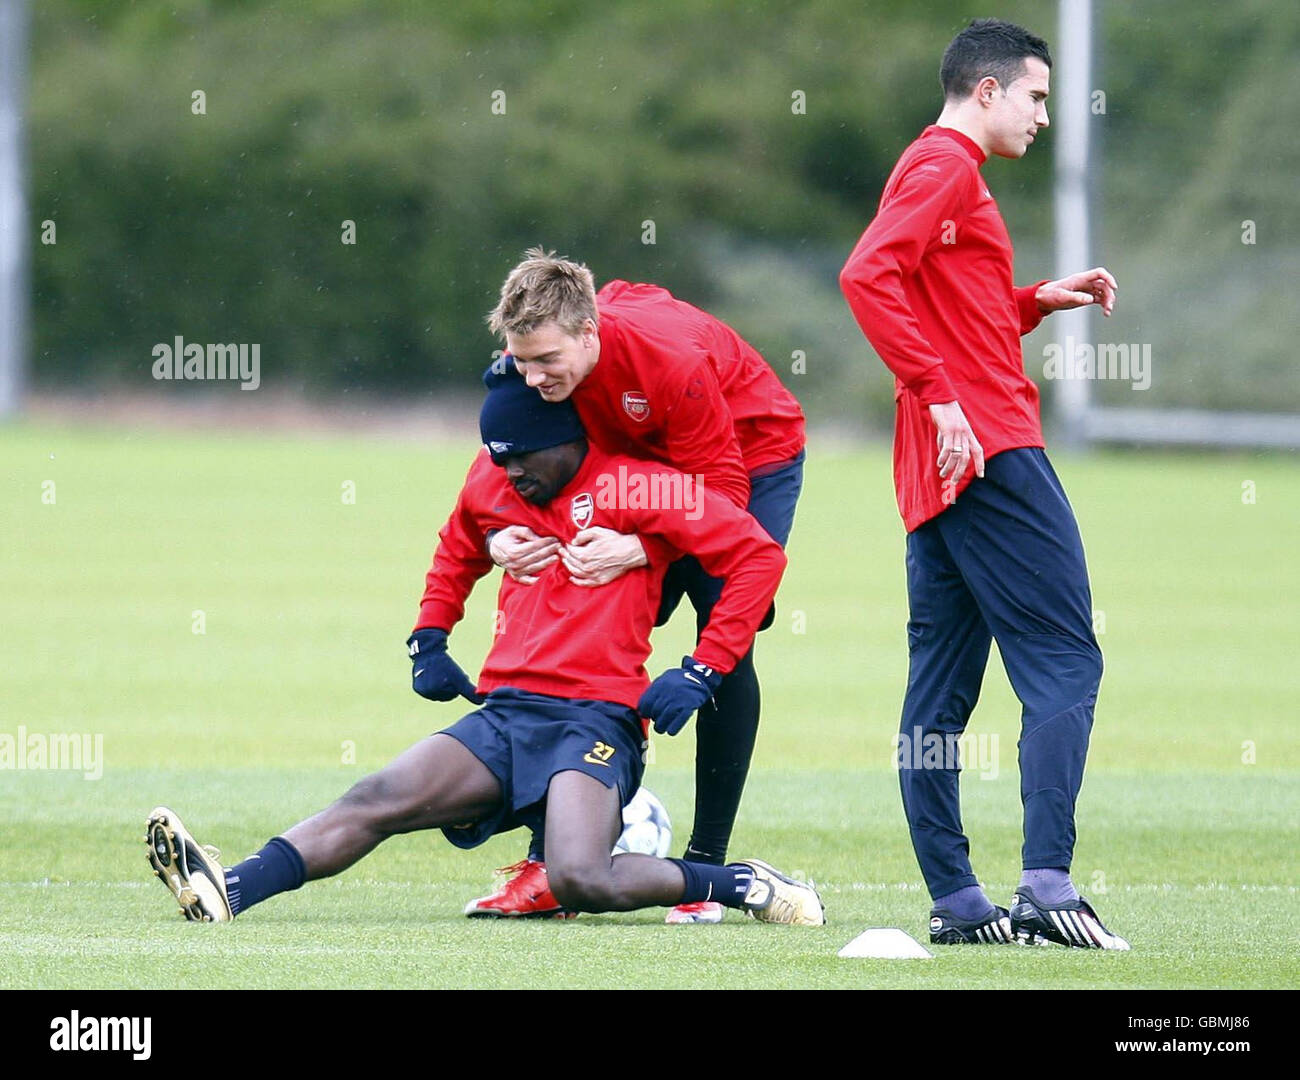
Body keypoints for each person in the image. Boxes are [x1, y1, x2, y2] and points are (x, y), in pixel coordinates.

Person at [145, 367, 824, 928]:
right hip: (505, 716)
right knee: (375, 796)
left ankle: (738, 883)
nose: (510, 477)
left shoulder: (638, 484)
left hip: (596, 721)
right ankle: (226, 890)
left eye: (522, 461)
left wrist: (703, 669)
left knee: (581, 876)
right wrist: (430, 639)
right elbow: (458, 542)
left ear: (565, 439)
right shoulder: (497, 476)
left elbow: (757, 558)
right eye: (498, 462)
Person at [838, 18, 1128, 949]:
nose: (1045, 116)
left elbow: (945, 306)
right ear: (989, 90)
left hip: (937, 468)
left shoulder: (929, 167)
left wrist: (1036, 300)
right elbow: (865, 277)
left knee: (941, 692)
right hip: (991, 449)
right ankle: (1046, 882)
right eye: (1038, 97)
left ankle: (958, 903)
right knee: (1066, 660)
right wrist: (940, 395)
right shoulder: (947, 170)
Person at [462, 248, 806, 924]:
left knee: (724, 629)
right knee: (583, 628)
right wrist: (494, 535)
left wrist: (645, 547)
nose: (530, 377)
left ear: (588, 334)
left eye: (546, 362)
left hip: (748, 456)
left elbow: (725, 492)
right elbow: (504, 461)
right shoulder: (531, 367)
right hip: (645, 460)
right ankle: (552, 858)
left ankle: (704, 870)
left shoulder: (669, 365)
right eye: (519, 361)